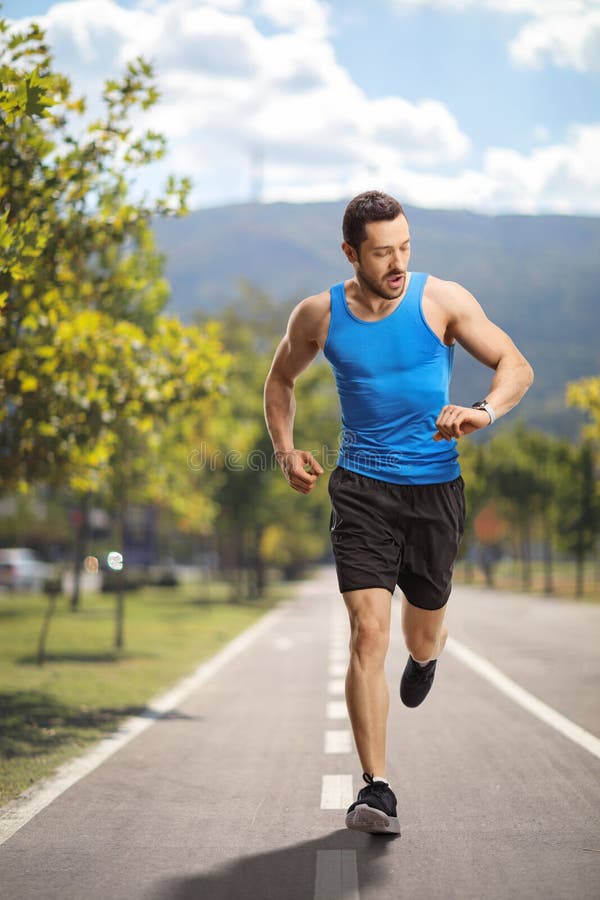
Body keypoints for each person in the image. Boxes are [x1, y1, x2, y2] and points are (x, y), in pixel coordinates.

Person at [263, 190, 533, 836]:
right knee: (368, 633)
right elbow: (279, 381)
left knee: (417, 634)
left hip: (435, 493)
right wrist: (284, 449)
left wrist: (482, 410)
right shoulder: (319, 315)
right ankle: (376, 789)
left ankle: (428, 653)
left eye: (405, 248)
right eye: (382, 252)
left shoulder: (441, 301)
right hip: (361, 492)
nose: (397, 263)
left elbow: (514, 364)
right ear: (351, 253)